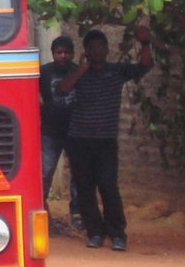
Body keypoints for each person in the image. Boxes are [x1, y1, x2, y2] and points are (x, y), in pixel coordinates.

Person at [58, 26, 153, 251]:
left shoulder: (117, 71)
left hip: (105, 142)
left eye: (101, 47)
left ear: (107, 50)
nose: (98, 51)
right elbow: (63, 89)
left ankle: (118, 234)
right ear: (87, 51)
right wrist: (81, 70)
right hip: (79, 140)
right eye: (93, 47)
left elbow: (144, 67)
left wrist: (145, 43)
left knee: (109, 187)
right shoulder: (78, 71)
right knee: (85, 189)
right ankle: (95, 233)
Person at [39, 36, 81, 229]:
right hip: (50, 132)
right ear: (53, 53)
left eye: (66, 52)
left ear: (72, 54)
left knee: (79, 174)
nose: (62, 56)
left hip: (76, 132)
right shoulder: (44, 72)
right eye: (59, 52)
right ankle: (41, 210)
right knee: (45, 172)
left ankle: (78, 213)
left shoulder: (79, 71)